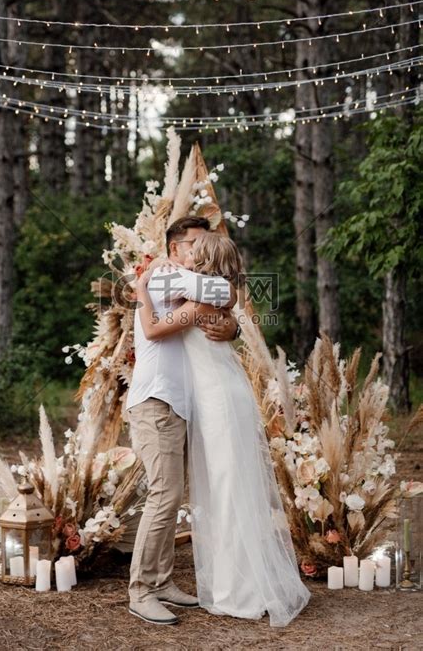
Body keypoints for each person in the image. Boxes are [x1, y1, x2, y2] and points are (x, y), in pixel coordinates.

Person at [136, 231, 310, 626]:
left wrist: (142, 288)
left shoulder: (200, 298)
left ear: (203, 260)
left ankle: (242, 591)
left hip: (219, 402)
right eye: (187, 245)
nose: (190, 252)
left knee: (230, 489)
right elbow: (226, 294)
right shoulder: (202, 289)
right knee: (226, 489)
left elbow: (156, 327)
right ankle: (240, 583)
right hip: (214, 399)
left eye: (197, 249)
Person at [126, 216, 240, 625]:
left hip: (178, 405)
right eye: (195, 243)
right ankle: (140, 590)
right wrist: (142, 286)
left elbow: (224, 302)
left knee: (172, 497)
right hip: (155, 401)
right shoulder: (162, 278)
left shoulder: (184, 280)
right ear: (175, 249)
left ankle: (161, 581)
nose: (203, 250)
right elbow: (224, 292)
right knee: (164, 495)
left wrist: (233, 329)